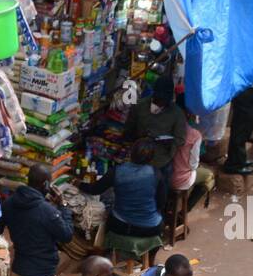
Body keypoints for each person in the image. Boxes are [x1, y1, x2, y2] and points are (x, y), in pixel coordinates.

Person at [79, 139, 164, 238]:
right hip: (150, 228)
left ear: (131, 153)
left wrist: (79, 184)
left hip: (121, 226)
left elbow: (95, 190)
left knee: (108, 210)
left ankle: (109, 250)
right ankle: (150, 252)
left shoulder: (116, 171)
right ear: (151, 158)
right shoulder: (156, 174)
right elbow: (161, 202)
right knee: (160, 220)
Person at [124, 75, 186, 208]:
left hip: (161, 162)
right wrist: (140, 137)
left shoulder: (177, 113)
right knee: (135, 196)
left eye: (164, 100)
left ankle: (156, 220)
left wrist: (167, 141)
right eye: (158, 99)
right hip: (139, 160)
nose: (160, 102)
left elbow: (180, 139)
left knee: (158, 199)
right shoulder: (140, 107)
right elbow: (128, 130)